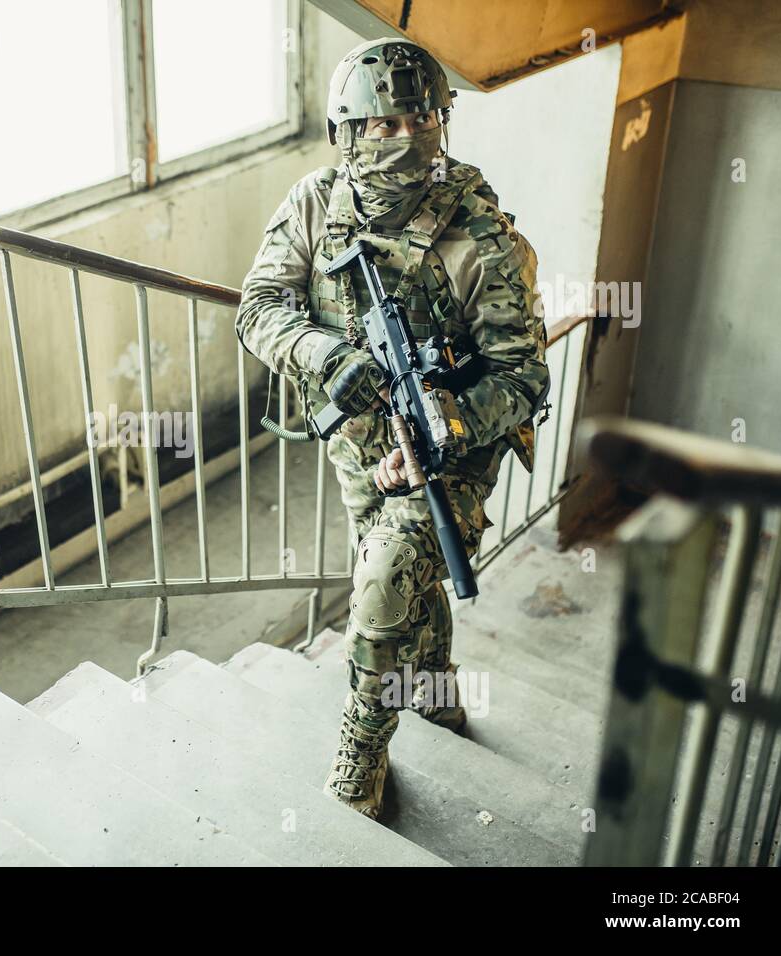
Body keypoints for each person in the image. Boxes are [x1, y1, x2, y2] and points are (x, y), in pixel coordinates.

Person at [235, 37, 550, 819]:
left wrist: (448, 420)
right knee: (408, 575)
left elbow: (523, 377)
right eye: (383, 125)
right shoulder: (315, 203)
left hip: (452, 445)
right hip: (359, 445)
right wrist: (323, 353)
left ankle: (364, 740)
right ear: (346, 134)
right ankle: (434, 683)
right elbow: (258, 308)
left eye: (423, 118)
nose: (407, 137)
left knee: (379, 580)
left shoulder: (478, 232)